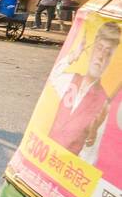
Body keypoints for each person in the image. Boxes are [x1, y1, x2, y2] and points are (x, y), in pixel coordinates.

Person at [48, 20, 120, 159]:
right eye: (99, 48)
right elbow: (53, 78)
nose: (101, 57)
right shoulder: (71, 80)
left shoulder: (104, 104)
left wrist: (91, 136)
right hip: (44, 155)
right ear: (91, 49)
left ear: (111, 60)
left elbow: (91, 156)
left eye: (108, 53)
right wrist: (73, 56)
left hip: (66, 166)